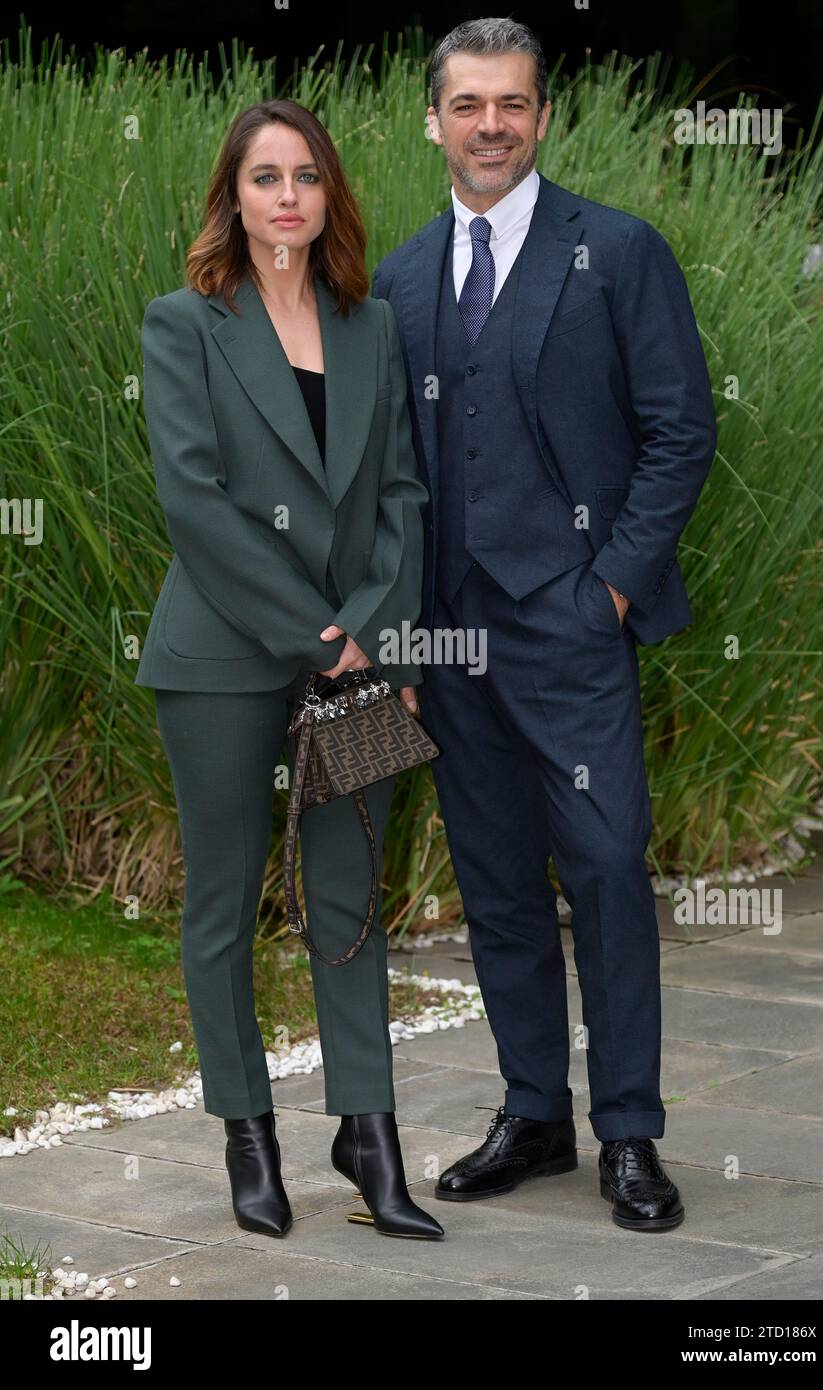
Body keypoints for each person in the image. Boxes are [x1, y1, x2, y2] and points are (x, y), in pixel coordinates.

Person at [373, 18, 717, 1230]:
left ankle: (629, 1130)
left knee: (610, 868)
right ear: (433, 120)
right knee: (498, 882)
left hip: (569, 627)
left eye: (510, 104)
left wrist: (608, 589)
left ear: (540, 118)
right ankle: (532, 1115)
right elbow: (388, 477)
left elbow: (682, 432)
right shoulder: (402, 277)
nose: (488, 126)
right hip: (450, 641)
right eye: (465, 104)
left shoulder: (615, 252)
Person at [135, 98, 442, 1242]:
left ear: (328, 197)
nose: (286, 198)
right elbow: (194, 504)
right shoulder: (185, 323)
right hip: (221, 656)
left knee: (349, 905)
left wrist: (372, 633)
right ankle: (247, 1138)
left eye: (305, 177)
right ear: (234, 194)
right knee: (221, 904)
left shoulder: (369, 323)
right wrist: (321, 637)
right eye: (264, 177)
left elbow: (402, 496)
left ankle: (369, 1138)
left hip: (360, 654)